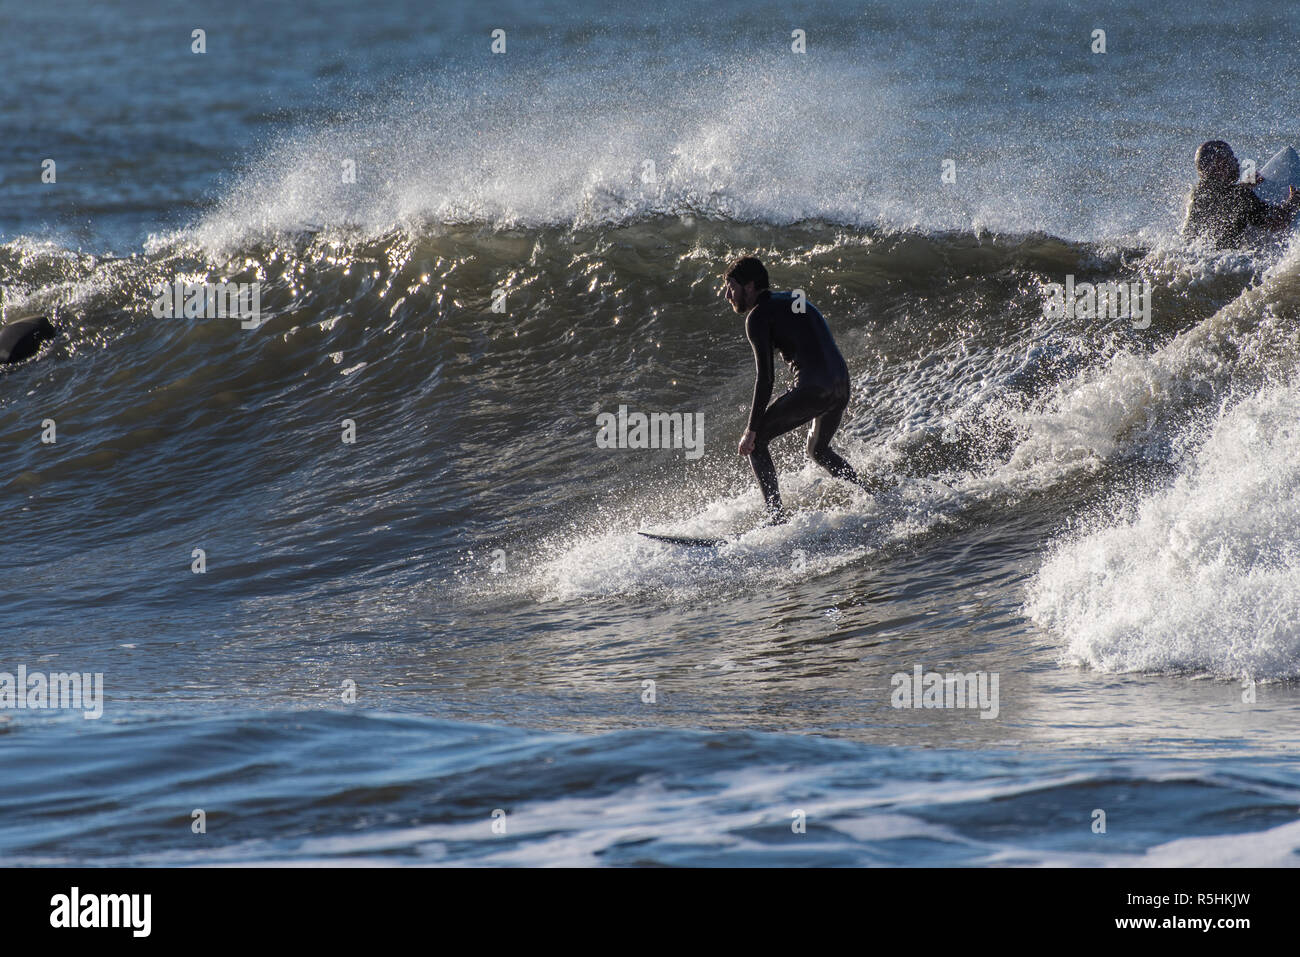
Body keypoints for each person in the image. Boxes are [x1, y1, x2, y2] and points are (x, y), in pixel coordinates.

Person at [722, 255, 878, 524]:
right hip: (841, 384)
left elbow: (765, 378)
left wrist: (751, 429)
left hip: (814, 388)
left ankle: (776, 518)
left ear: (749, 286)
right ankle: (871, 498)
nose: (728, 295)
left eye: (731, 287)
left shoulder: (757, 317)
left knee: (757, 445)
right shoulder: (794, 298)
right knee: (818, 450)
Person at [1182, 140, 1300, 248]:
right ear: (1219, 164)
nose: (1236, 161)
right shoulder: (1241, 195)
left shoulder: (1195, 193)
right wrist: (1293, 202)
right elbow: (1277, 222)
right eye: (1231, 156)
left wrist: (1243, 185)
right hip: (1224, 265)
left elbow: (1222, 198)